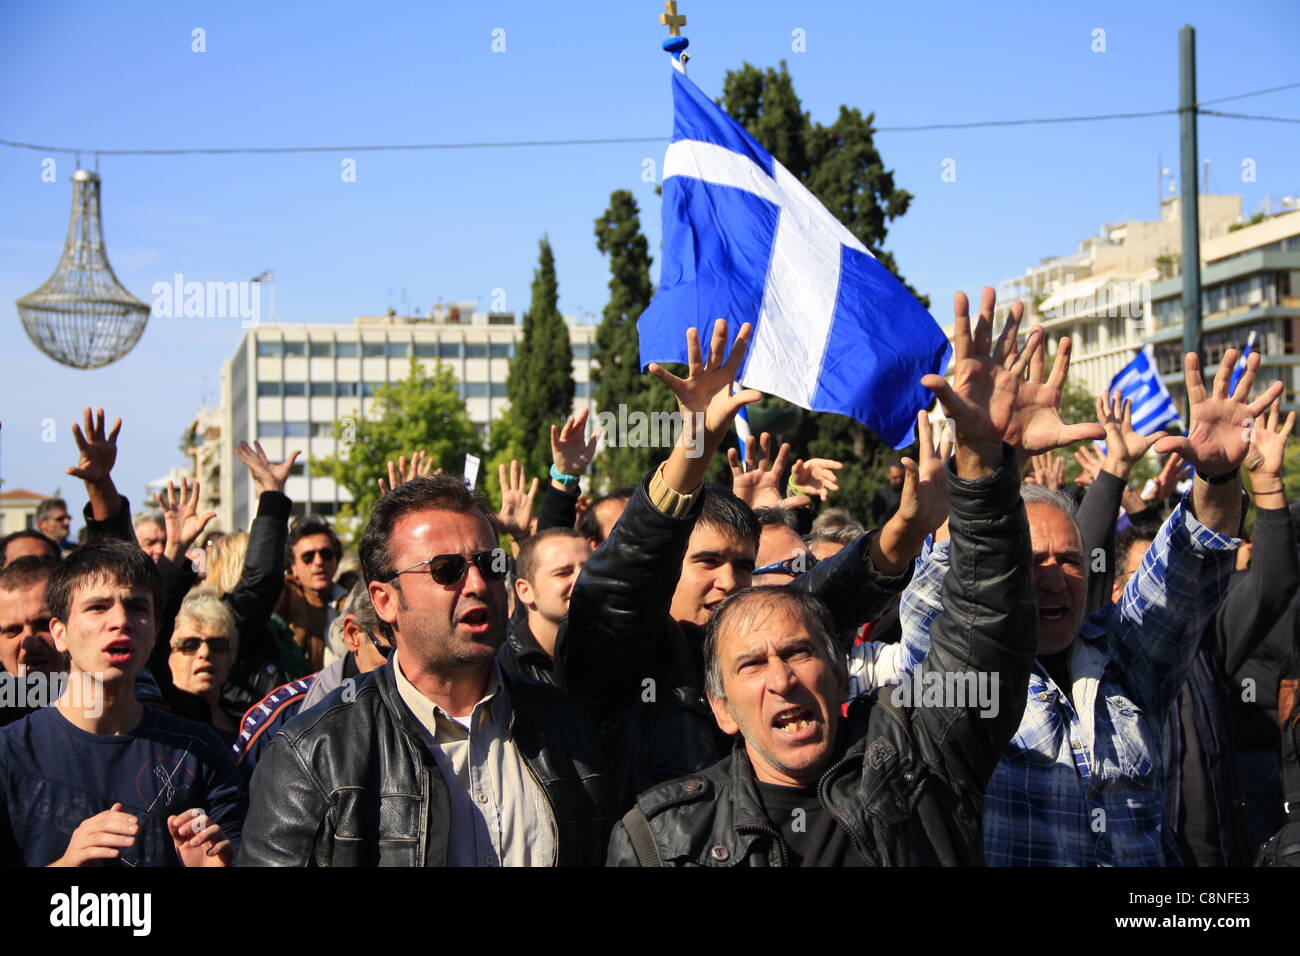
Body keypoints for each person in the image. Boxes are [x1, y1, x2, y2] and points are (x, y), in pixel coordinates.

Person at [607, 289, 1041, 866]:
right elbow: (617, 594)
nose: (782, 679)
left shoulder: (918, 759)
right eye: (751, 665)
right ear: (721, 708)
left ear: (841, 671)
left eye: (798, 653)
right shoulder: (659, 842)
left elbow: (985, 634)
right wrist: (693, 446)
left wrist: (982, 463)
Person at [885, 331, 1284, 866]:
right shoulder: (955, 679)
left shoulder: (1125, 657)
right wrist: (986, 456)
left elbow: (1189, 566)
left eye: (1069, 561)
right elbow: (945, 584)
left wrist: (1217, 474)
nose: (1054, 579)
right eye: (1031, 564)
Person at [559, 320, 934, 814]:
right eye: (707, 562)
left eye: (742, 565)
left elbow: (822, 597)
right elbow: (621, 583)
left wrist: (906, 529)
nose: (729, 582)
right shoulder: (626, 659)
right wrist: (693, 449)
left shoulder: (761, 636)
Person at [238, 474, 609, 866]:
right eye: (447, 570)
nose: (477, 584)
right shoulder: (315, 753)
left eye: (490, 563)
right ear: (384, 601)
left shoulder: (567, 726)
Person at [0, 541, 243, 866]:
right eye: (97, 607)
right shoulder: (9, 754)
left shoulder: (200, 752)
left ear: (156, 631)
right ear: (60, 633)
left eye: (137, 607)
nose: (120, 621)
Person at [234, 580, 392, 772]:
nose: (404, 662)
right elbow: (236, 795)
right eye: (390, 650)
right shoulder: (281, 718)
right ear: (353, 634)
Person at [500, 527, 590, 685]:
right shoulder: (502, 672)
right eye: (563, 573)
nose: (581, 580)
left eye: (589, 570)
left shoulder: (618, 653)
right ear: (525, 591)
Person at [168, 589, 241, 744]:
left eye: (218, 644)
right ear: (166, 654)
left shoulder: (249, 724)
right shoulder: (158, 721)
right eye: (189, 644)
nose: (205, 653)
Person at [275, 515, 345, 671]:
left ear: (336, 559)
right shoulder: (283, 598)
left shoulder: (352, 601)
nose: (318, 562)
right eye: (308, 556)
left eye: (326, 554)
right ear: (293, 566)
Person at [870, 461, 905, 526]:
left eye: (901, 477)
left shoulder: (906, 492)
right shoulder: (881, 495)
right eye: (895, 478)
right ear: (888, 475)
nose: (899, 480)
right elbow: (877, 518)